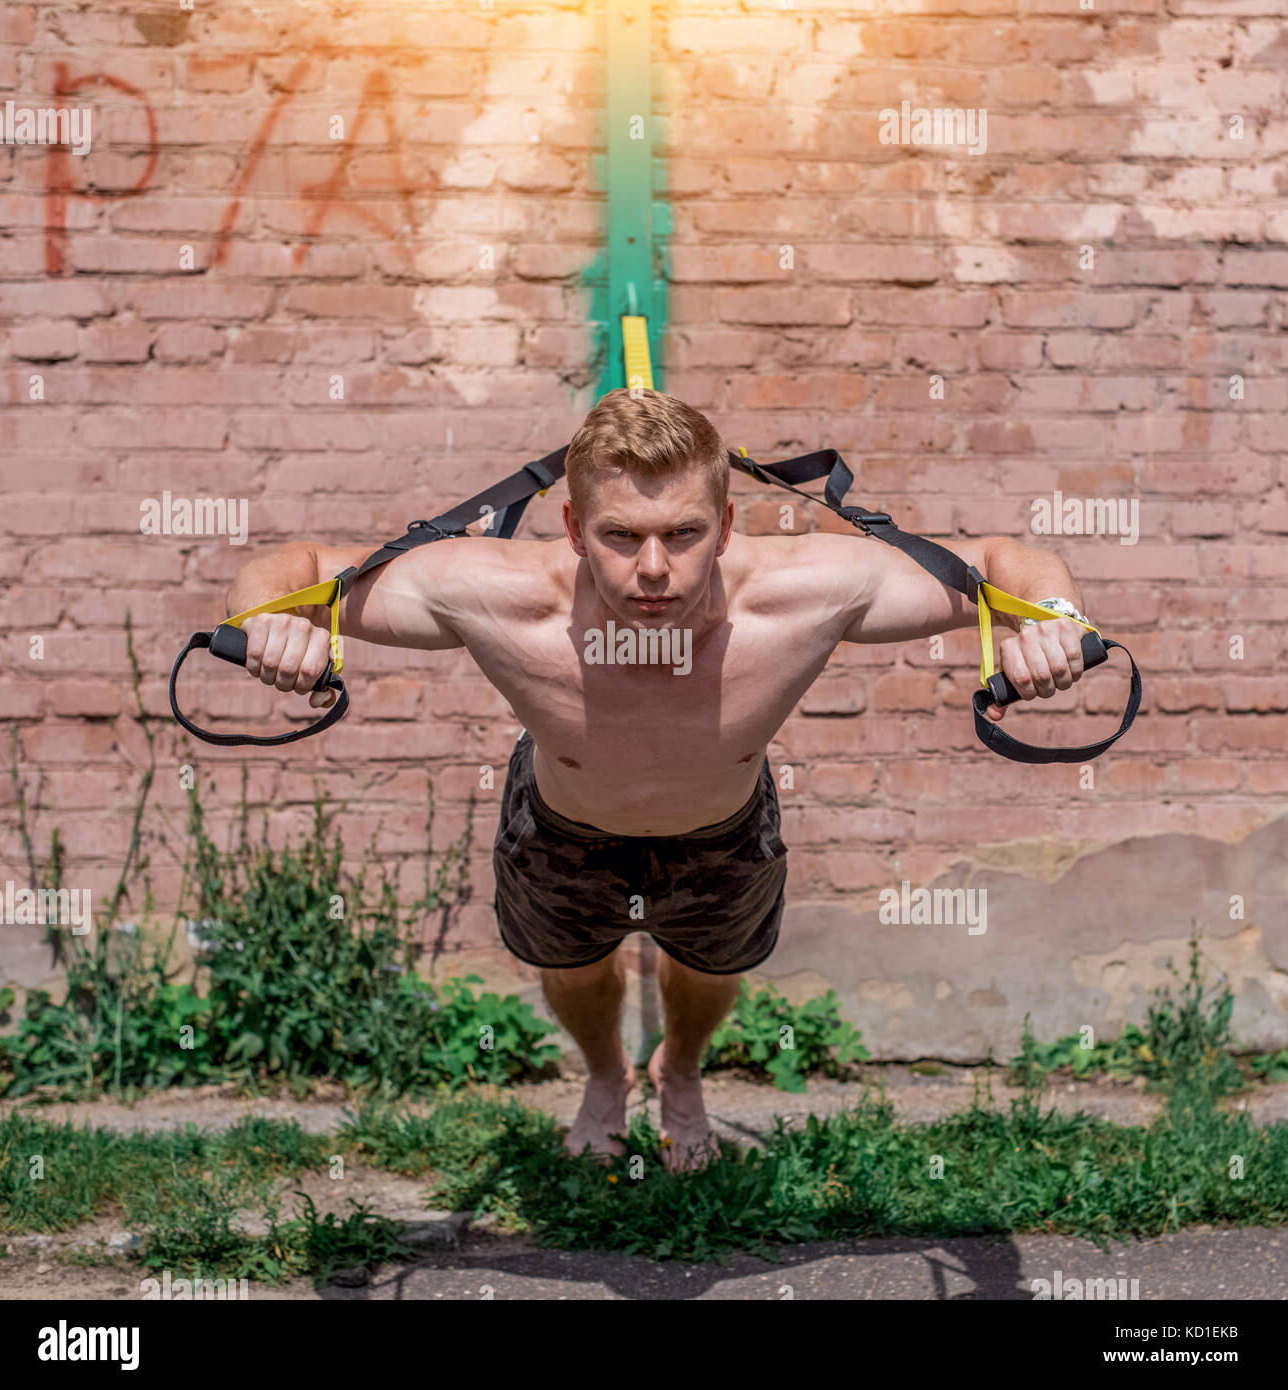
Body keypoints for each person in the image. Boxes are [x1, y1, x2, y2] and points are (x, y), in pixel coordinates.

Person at [224, 388, 1092, 1171]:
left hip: (723, 828)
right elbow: (297, 566)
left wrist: (1050, 620)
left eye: (682, 534)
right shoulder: (494, 590)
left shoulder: (808, 590)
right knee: (571, 961)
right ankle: (606, 1075)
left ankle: (679, 1070)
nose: (651, 568)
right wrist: (273, 625)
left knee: (711, 962)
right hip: (561, 827)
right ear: (571, 529)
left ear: (724, 522)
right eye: (619, 536)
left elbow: (995, 558)